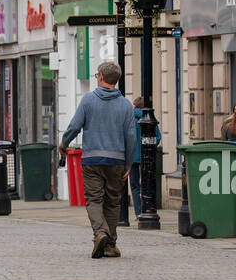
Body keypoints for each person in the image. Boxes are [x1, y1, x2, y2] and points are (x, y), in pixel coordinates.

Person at [59, 63, 135, 259]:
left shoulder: (88, 100)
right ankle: (110, 244)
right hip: (117, 160)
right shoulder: (126, 105)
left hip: (92, 159)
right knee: (112, 202)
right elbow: (131, 137)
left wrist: (64, 143)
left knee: (94, 199)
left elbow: (75, 126)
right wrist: (128, 165)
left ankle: (100, 233)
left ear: (100, 76)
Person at [123, 96, 161, 223]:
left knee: (134, 185)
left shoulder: (129, 118)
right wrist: (150, 148)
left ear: (134, 106)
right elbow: (158, 137)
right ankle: (148, 209)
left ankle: (139, 212)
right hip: (146, 157)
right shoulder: (149, 118)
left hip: (132, 157)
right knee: (147, 183)